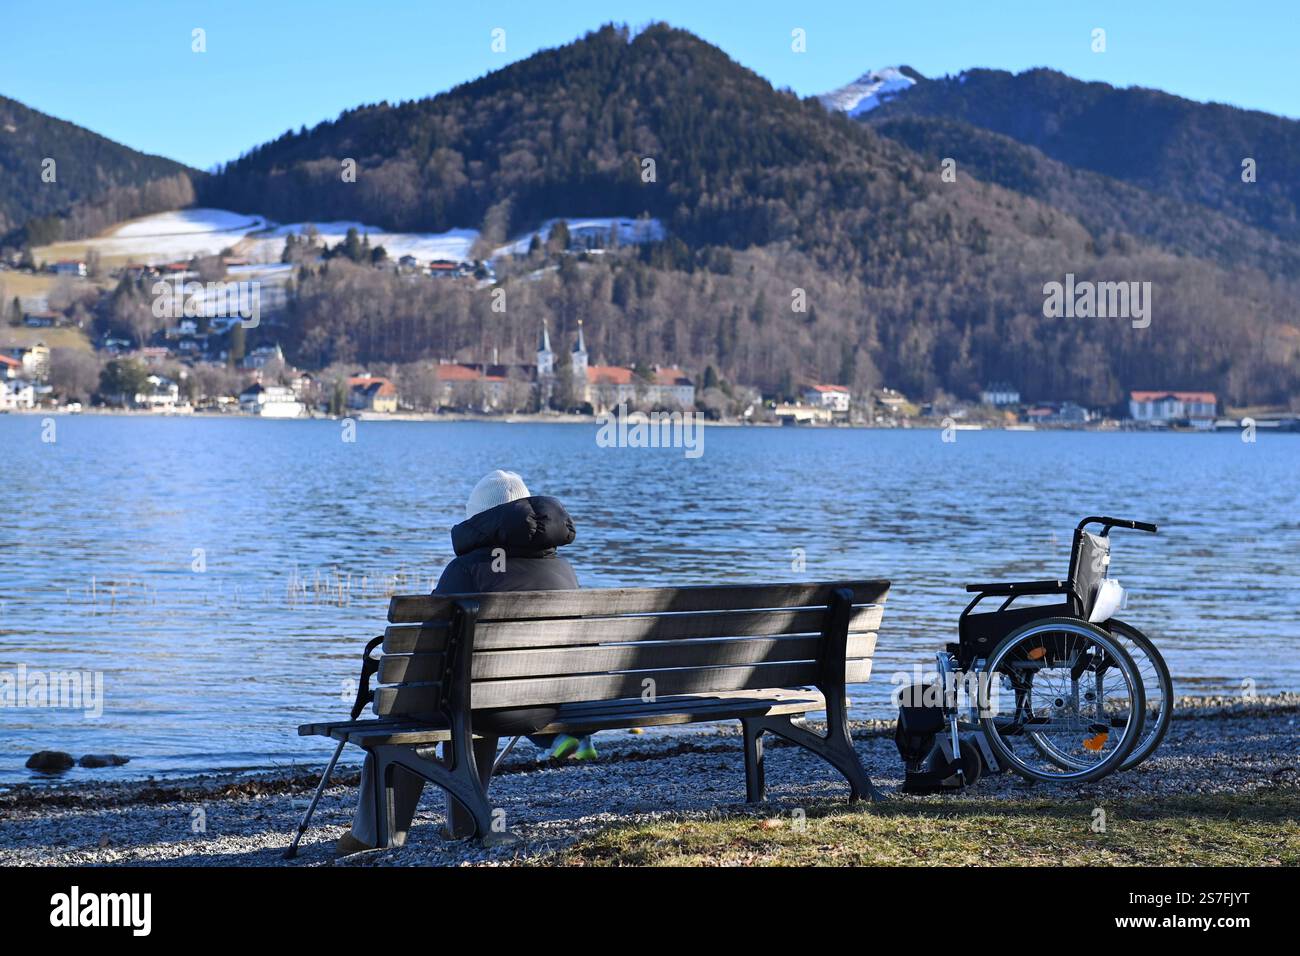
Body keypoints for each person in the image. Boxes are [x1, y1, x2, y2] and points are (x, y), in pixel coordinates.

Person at [337, 470, 592, 856]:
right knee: (470, 698)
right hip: (542, 705)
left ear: (481, 523)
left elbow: (424, 650)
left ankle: (375, 836)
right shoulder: (563, 571)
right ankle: (463, 824)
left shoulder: (467, 570)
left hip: (479, 705)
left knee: (410, 712)